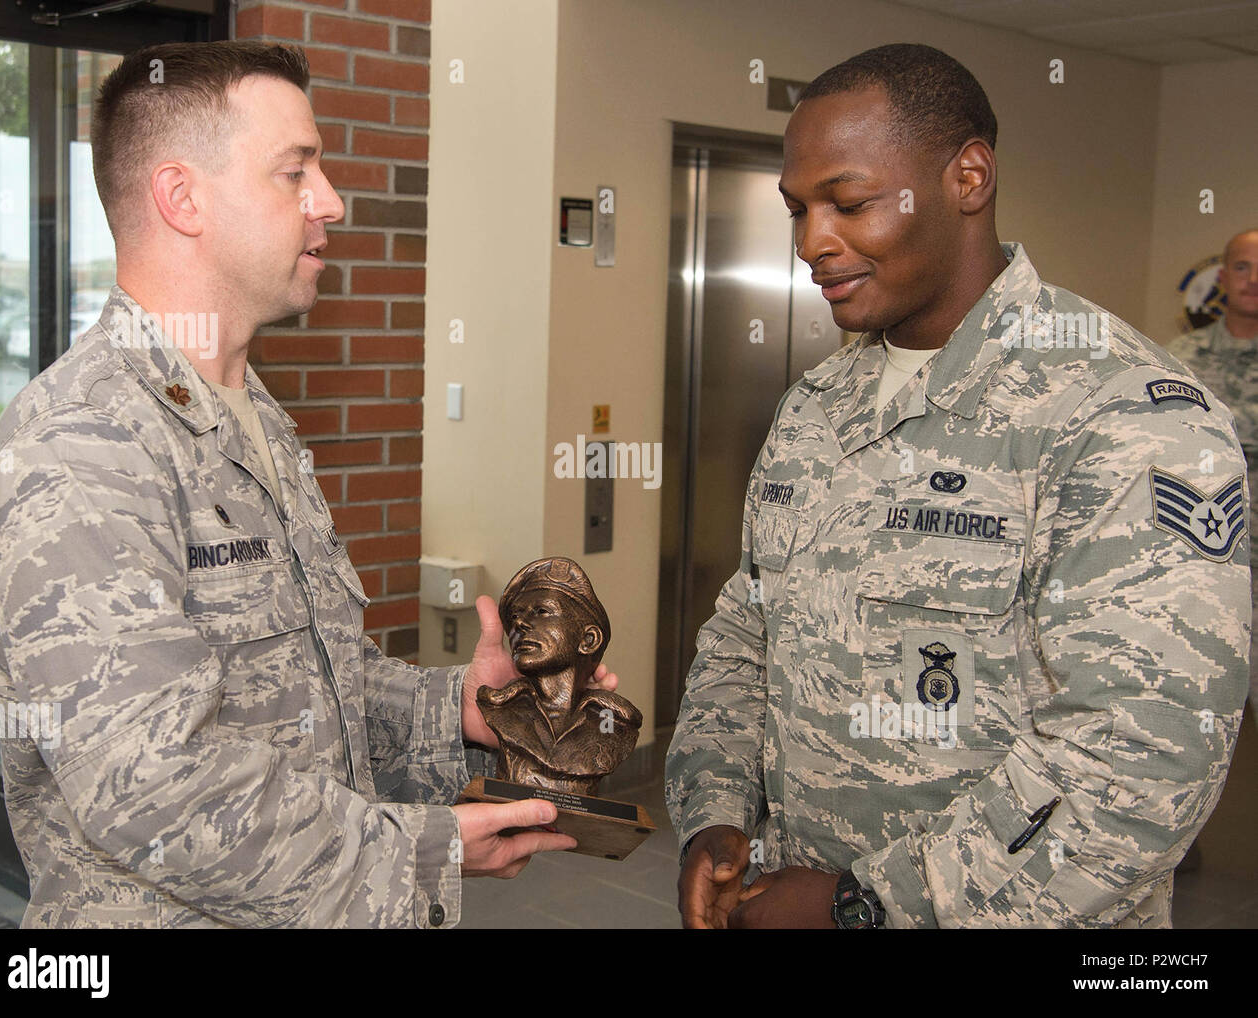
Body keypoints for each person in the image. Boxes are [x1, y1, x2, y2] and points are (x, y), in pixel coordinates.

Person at [0, 41, 614, 928]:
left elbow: (311, 695)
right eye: (294, 170)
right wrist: (420, 854)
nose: (331, 201)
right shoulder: (80, 448)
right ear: (182, 198)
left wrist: (459, 708)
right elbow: (157, 788)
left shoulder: (253, 418)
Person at [665, 43, 1250, 929]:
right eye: (797, 210)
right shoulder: (816, 406)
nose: (811, 243)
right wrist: (713, 814)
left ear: (967, 177)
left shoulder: (1124, 414)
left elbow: (1139, 766)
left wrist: (862, 908)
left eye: (849, 202)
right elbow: (748, 631)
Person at [1165, 229, 1258, 724]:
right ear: (1223, 277)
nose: (1254, 279)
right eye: (1242, 267)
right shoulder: (1181, 357)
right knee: (1189, 703)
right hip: (1205, 554)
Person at [478, 557, 642, 795]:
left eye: (542, 611)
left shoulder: (614, 722)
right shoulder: (499, 708)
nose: (520, 624)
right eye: (514, 617)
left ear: (588, 640)